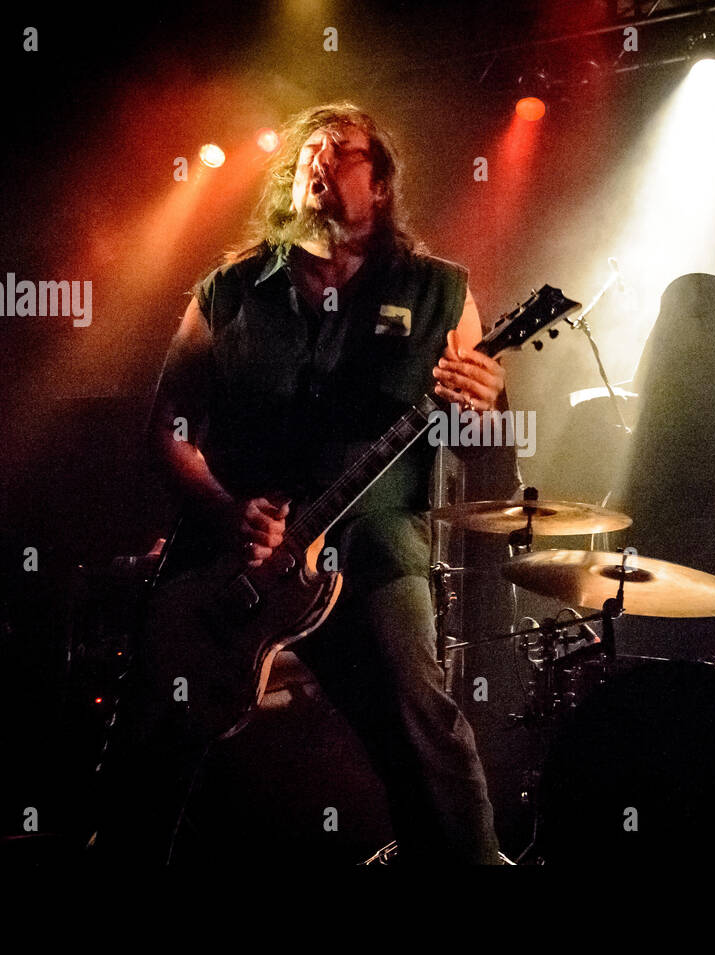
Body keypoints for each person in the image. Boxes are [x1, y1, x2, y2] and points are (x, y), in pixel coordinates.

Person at [115, 103, 505, 864]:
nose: (315, 160)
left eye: (339, 149)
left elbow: (484, 446)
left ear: (383, 185)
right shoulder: (228, 291)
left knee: (421, 727)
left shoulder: (439, 293)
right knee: (153, 739)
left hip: (374, 552)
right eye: (305, 153)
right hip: (235, 557)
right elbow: (167, 427)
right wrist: (228, 512)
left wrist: (487, 403)